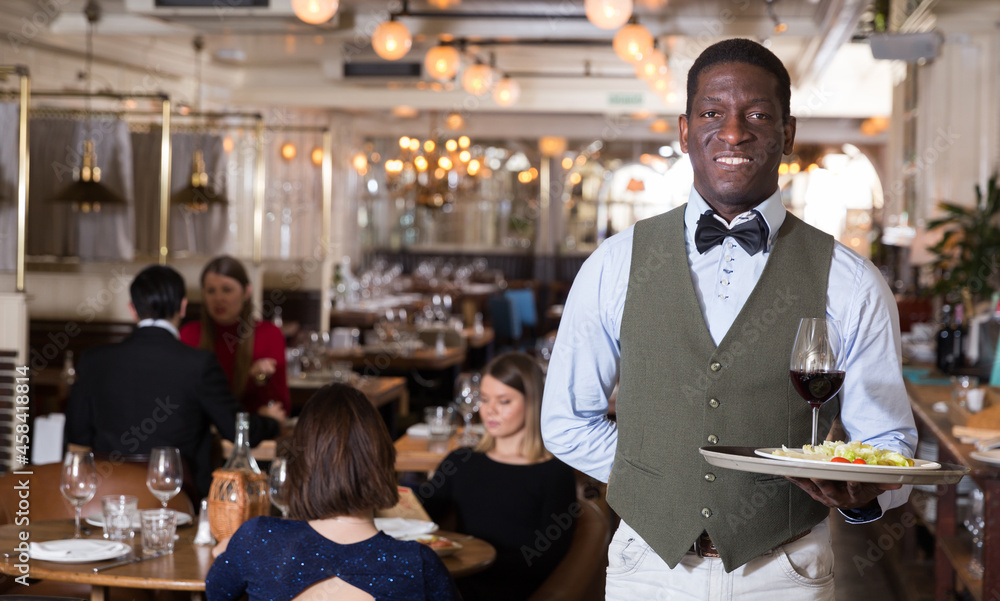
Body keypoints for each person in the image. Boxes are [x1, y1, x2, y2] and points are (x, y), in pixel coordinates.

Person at [541, 38, 918, 600]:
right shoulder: (615, 264)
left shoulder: (851, 279)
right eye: (712, 112)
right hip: (648, 566)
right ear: (685, 130)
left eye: (758, 114)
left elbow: (887, 438)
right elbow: (566, 420)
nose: (734, 131)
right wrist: (655, 480)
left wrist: (866, 494)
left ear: (787, 133)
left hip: (786, 570)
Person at [206, 383, 461, 601]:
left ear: (300, 465)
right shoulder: (418, 565)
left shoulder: (256, 539)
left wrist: (231, 551)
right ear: (384, 460)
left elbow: (216, 592)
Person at [64, 265, 282, 498]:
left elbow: (77, 435)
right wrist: (271, 422)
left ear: (133, 310)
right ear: (183, 306)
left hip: (106, 497)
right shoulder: (199, 364)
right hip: (180, 499)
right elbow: (234, 429)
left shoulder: (94, 360)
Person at [420, 352, 578, 601]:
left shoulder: (555, 473)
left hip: (509, 591)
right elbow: (423, 515)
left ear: (532, 402)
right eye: (484, 399)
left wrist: (475, 561)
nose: (490, 410)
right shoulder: (461, 460)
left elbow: (544, 558)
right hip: (454, 584)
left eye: (504, 401)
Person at [180, 255, 290, 417]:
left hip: (252, 435)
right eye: (211, 291)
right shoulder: (189, 334)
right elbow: (182, 399)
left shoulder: (269, 334)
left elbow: (281, 408)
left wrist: (260, 380)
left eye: (227, 290)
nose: (218, 298)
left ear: (247, 292)